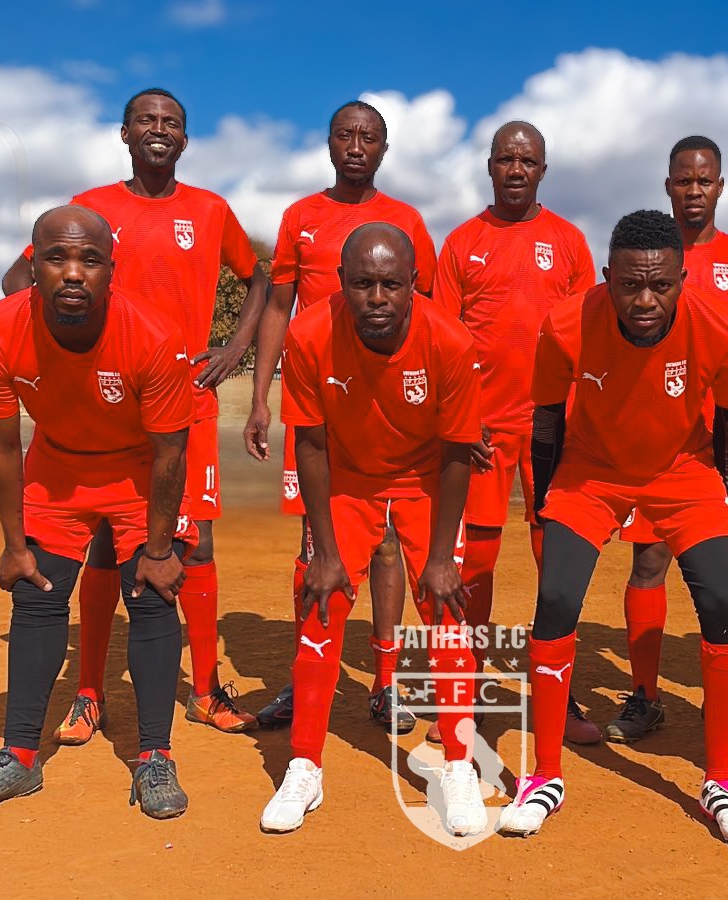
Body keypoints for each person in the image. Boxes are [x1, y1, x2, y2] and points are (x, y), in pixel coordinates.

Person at [0, 87, 265, 741]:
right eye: (146, 119)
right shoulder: (90, 210)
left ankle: (203, 690)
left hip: (184, 404)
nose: (159, 129)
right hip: (104, 412)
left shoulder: (209, 211)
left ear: (184, 139)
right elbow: (17, 280)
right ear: (124, 134)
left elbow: (259, 274)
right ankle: (89, 694)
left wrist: (235, 348)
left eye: (171, 122)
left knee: (192, 546)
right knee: (100, 546)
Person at [498, 210, 728, 845]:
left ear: (682, 278)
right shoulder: (565, 324)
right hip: (590, 469)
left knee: (723, 600)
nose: (645, 300)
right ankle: (547, 776)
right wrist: (547, 512)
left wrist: (722, 505)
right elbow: (545, 422)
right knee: (556, 598)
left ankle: (722, 779)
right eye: (629, 285)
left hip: (684, 468)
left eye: (661, 286)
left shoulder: (722, 328)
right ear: (607, 277)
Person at [0, 206, 194, 819]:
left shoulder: (152, 335)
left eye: (90, 260)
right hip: (57, 473)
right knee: (35, 593)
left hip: (137, 473)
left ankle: (155, 757)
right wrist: (13, 543)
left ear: (112, 269)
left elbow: (169, 451)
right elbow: (2, 445)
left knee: (153, 597)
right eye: (57, 258)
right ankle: (19, 759)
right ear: (35, 264)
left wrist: (158, 550)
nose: (73, 273)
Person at [259, 223, 483, 837]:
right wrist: (325, 551)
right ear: (341, 284)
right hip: (347, 478)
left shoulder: (451, 342)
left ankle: (459, 766)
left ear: (414, 283)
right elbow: (309, 442)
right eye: (363, 284)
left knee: (444, 605)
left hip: (425, 478)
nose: (377, 297)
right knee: (321, 600)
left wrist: (440, 558)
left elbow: (459, 451)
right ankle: (305, 765)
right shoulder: (309, 336)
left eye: (391, 284)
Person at [245, 100, 439, 734]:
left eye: (370, 137)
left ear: (385, 149)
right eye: (345, 135)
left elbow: (429, 318)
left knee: (387, 540)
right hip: (319, 400)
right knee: (314, 542)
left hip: (388, 410)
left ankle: (387, 681)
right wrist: (259, 395)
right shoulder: (301, 217)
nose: (357, 146)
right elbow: (278, 307)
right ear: (329, 144)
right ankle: (307, 683)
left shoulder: (406, 220)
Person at [432, 121, 600, 745]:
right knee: (475, 561)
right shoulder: (462, 243)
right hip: (481, 432)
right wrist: (459, 417)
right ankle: (467, 688)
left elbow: (592, 337)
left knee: (553, 559)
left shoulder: (569, 242)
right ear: (490, 166)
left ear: (543, 170)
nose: (516, 170)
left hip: (553, 430)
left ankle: (559, 689)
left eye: (528, 161)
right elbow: (441, 340)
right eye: (506, 159)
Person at [607, 136, 728, 744]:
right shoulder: (645, 256)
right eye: (684, 180)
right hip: (659, 441)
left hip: (725, 438)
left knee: (722, 570)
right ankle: (645, 695)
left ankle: (726, 699)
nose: (694, 190)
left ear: (721, 186)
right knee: (648, 559)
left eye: (704, 180)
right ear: (669, 185)